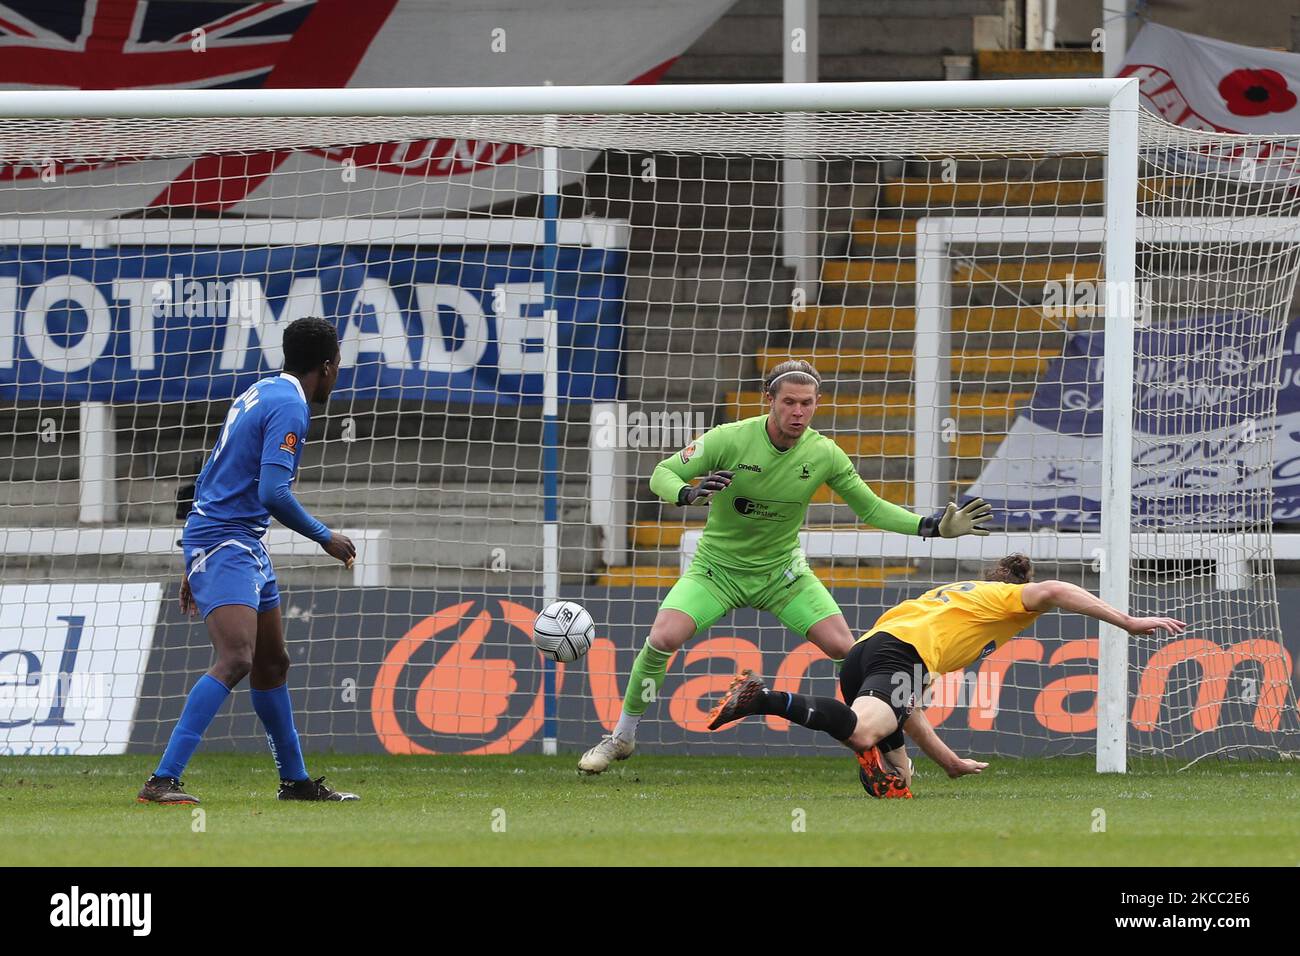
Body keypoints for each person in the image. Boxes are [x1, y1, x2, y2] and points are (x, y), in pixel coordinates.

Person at [578, 358, 994, 774]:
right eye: (790, 402)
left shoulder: (823, 453)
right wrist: (687, 493)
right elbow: (661, 473)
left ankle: (886, 749)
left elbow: (870, 507)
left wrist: (932, 526)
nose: (798, 412)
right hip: (718, 570)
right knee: (663, 637)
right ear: (769, 401)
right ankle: (622, 738)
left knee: (850, 655)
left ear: (817, 404)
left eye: (807, 403)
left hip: (784, 574)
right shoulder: (729, 439)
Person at [707, 553, 1188, 797]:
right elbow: (1058, 589)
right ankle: (762, 697)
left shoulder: (956, 603)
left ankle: (882, 758)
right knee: (862, 730)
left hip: (866, 651)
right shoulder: (1004, 598)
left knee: (900, 778)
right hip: (902, 654)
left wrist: (949, 761)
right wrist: (1128, 622)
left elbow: (908, 707)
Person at [137, 317, 359, 805]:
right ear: (325, 366)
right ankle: (161, 780)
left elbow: (216, 469)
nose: (338, 373)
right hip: (226, 541)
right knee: (237, 658)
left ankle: (295, 782)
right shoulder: (290, 409)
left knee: (272, 662)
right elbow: (272, 491)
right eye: (338, 363)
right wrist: (325, 537)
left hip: (234, 540)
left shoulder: (261, 392)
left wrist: (193, 556)